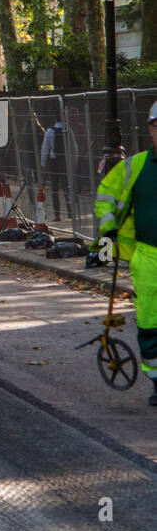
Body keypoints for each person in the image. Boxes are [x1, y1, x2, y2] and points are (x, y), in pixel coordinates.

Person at [96, 102, 157, 404]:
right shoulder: (135, 167)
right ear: (150, 129)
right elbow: (105, 195)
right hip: (148, 257)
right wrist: (108, 233)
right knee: (150, 321)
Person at [40, 114, 72, 222]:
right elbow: (74, 146)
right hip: (66, 160)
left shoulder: (50, 131)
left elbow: (45, 148)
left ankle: (57, 214)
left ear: (55, 118)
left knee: (55, 188)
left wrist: (43, 163)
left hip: (54, 161)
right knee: (68, 187)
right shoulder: (68, 130)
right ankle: (70, 212)